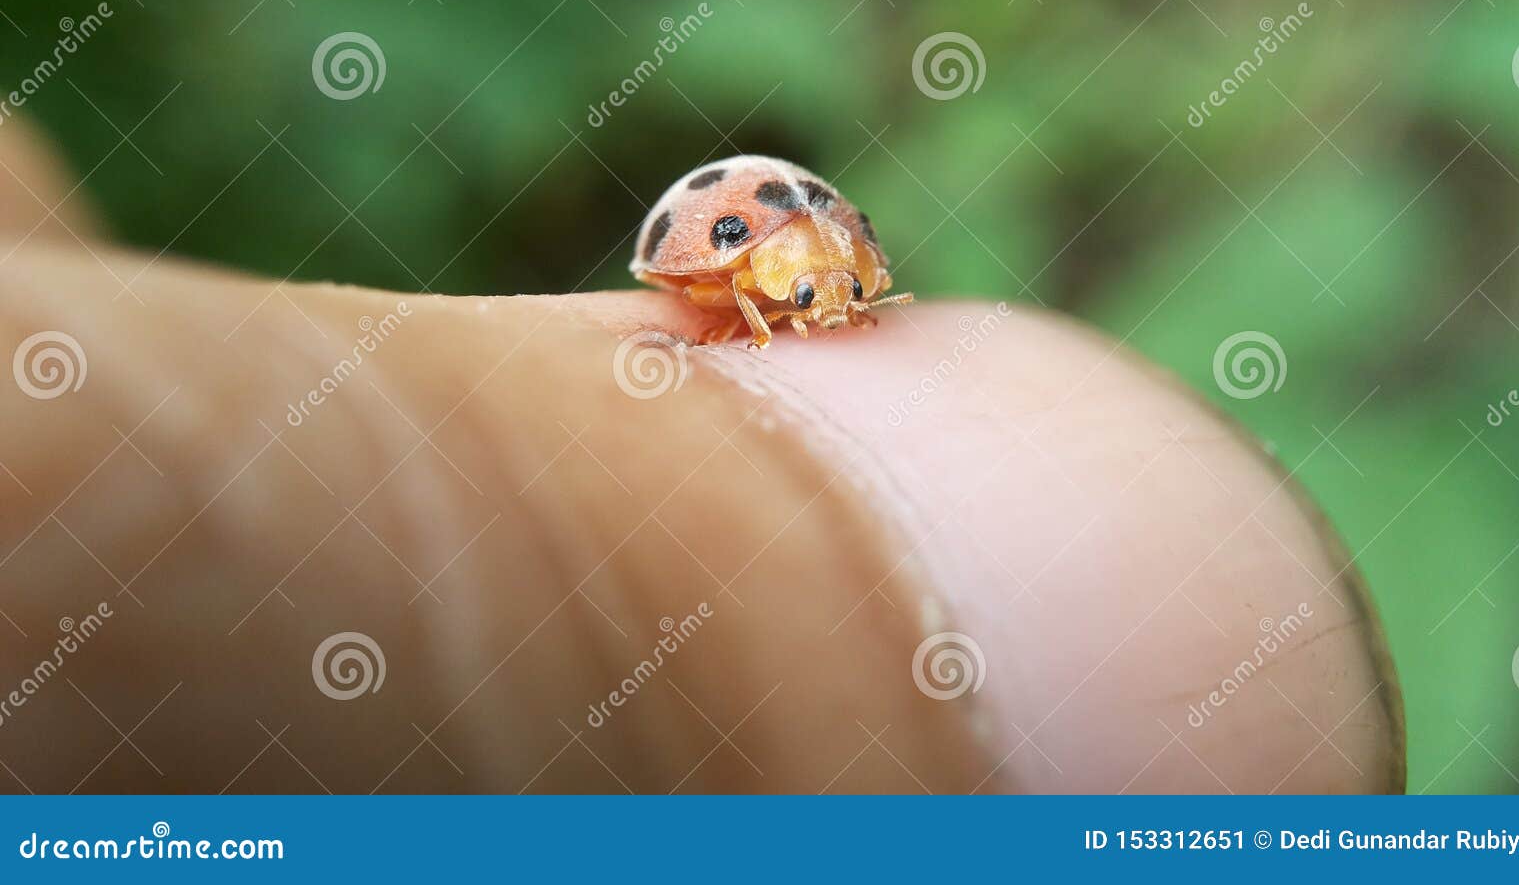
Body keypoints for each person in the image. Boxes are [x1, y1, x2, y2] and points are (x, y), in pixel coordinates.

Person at [0, 119, 1401, 793]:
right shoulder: (734, 275)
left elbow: (820, 278)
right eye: (797, 299)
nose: (816, 314)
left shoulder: (818, 259)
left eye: (816, 295)